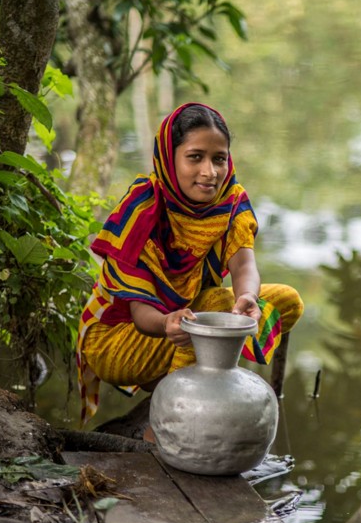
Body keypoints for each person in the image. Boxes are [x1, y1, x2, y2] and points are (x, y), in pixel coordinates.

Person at [75, 102, 304, 425]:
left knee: (287, 301)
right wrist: (168, 322)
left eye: (219, 159)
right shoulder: (143, 208)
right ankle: (170, 423)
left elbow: (243, 266)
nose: (210, 172)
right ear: (170, 158)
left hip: (186, 319)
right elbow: (140, 314)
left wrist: (248, 297)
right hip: (119, 338)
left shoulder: (231, 201)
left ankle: (193, 373)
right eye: (195, 157)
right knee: (214, 305)